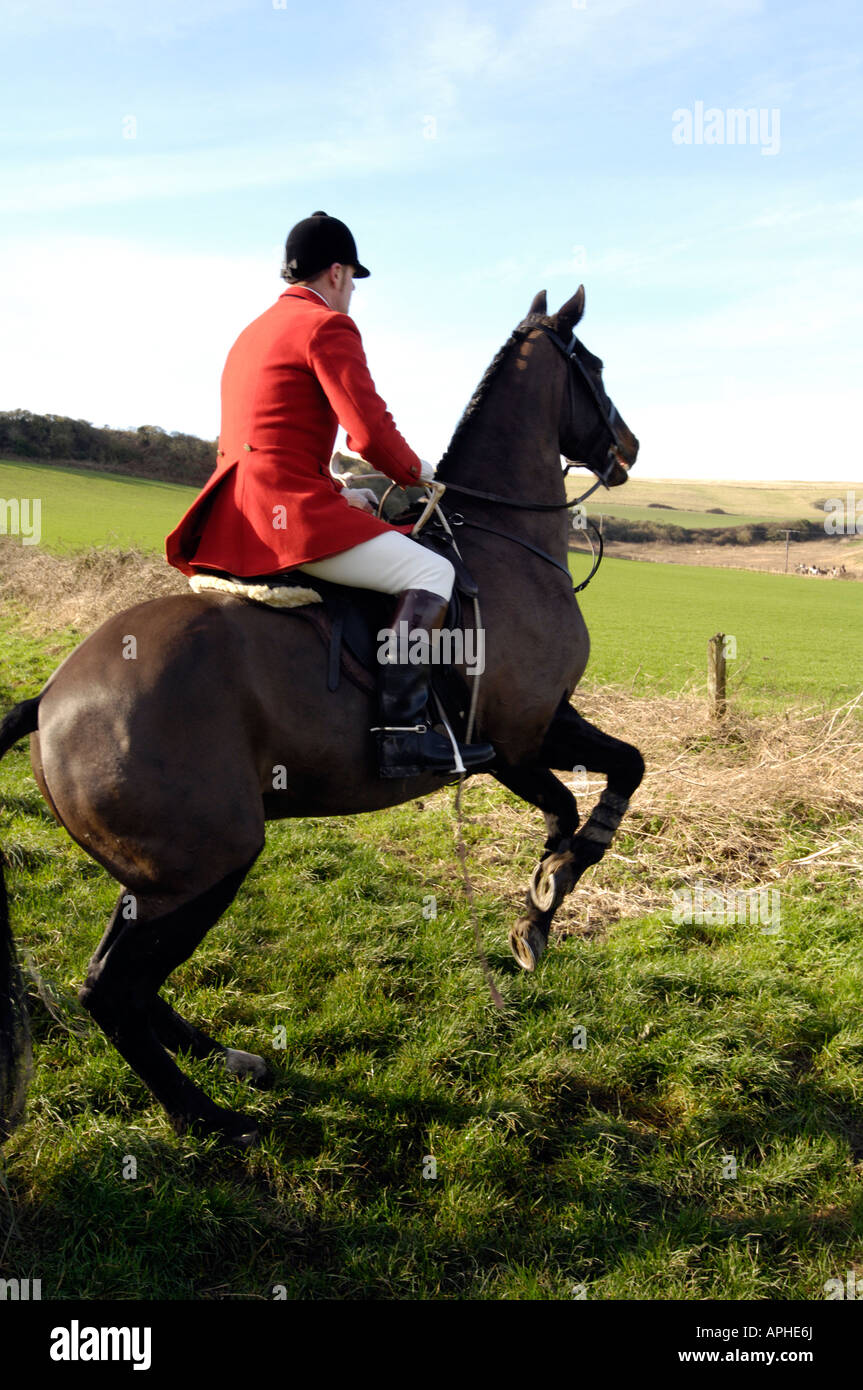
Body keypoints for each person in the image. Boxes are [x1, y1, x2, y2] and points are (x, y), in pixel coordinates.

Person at [166, 211, 494, 779]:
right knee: (431, 574)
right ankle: (403, 735)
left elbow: (270, 440)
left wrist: (339, 491)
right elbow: (366, 431)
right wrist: (416, 472)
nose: (352, 297)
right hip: (290, 518)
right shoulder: (327, 327)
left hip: (234, 515)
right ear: (338, 272)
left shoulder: (253, 331)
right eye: (353, 283)